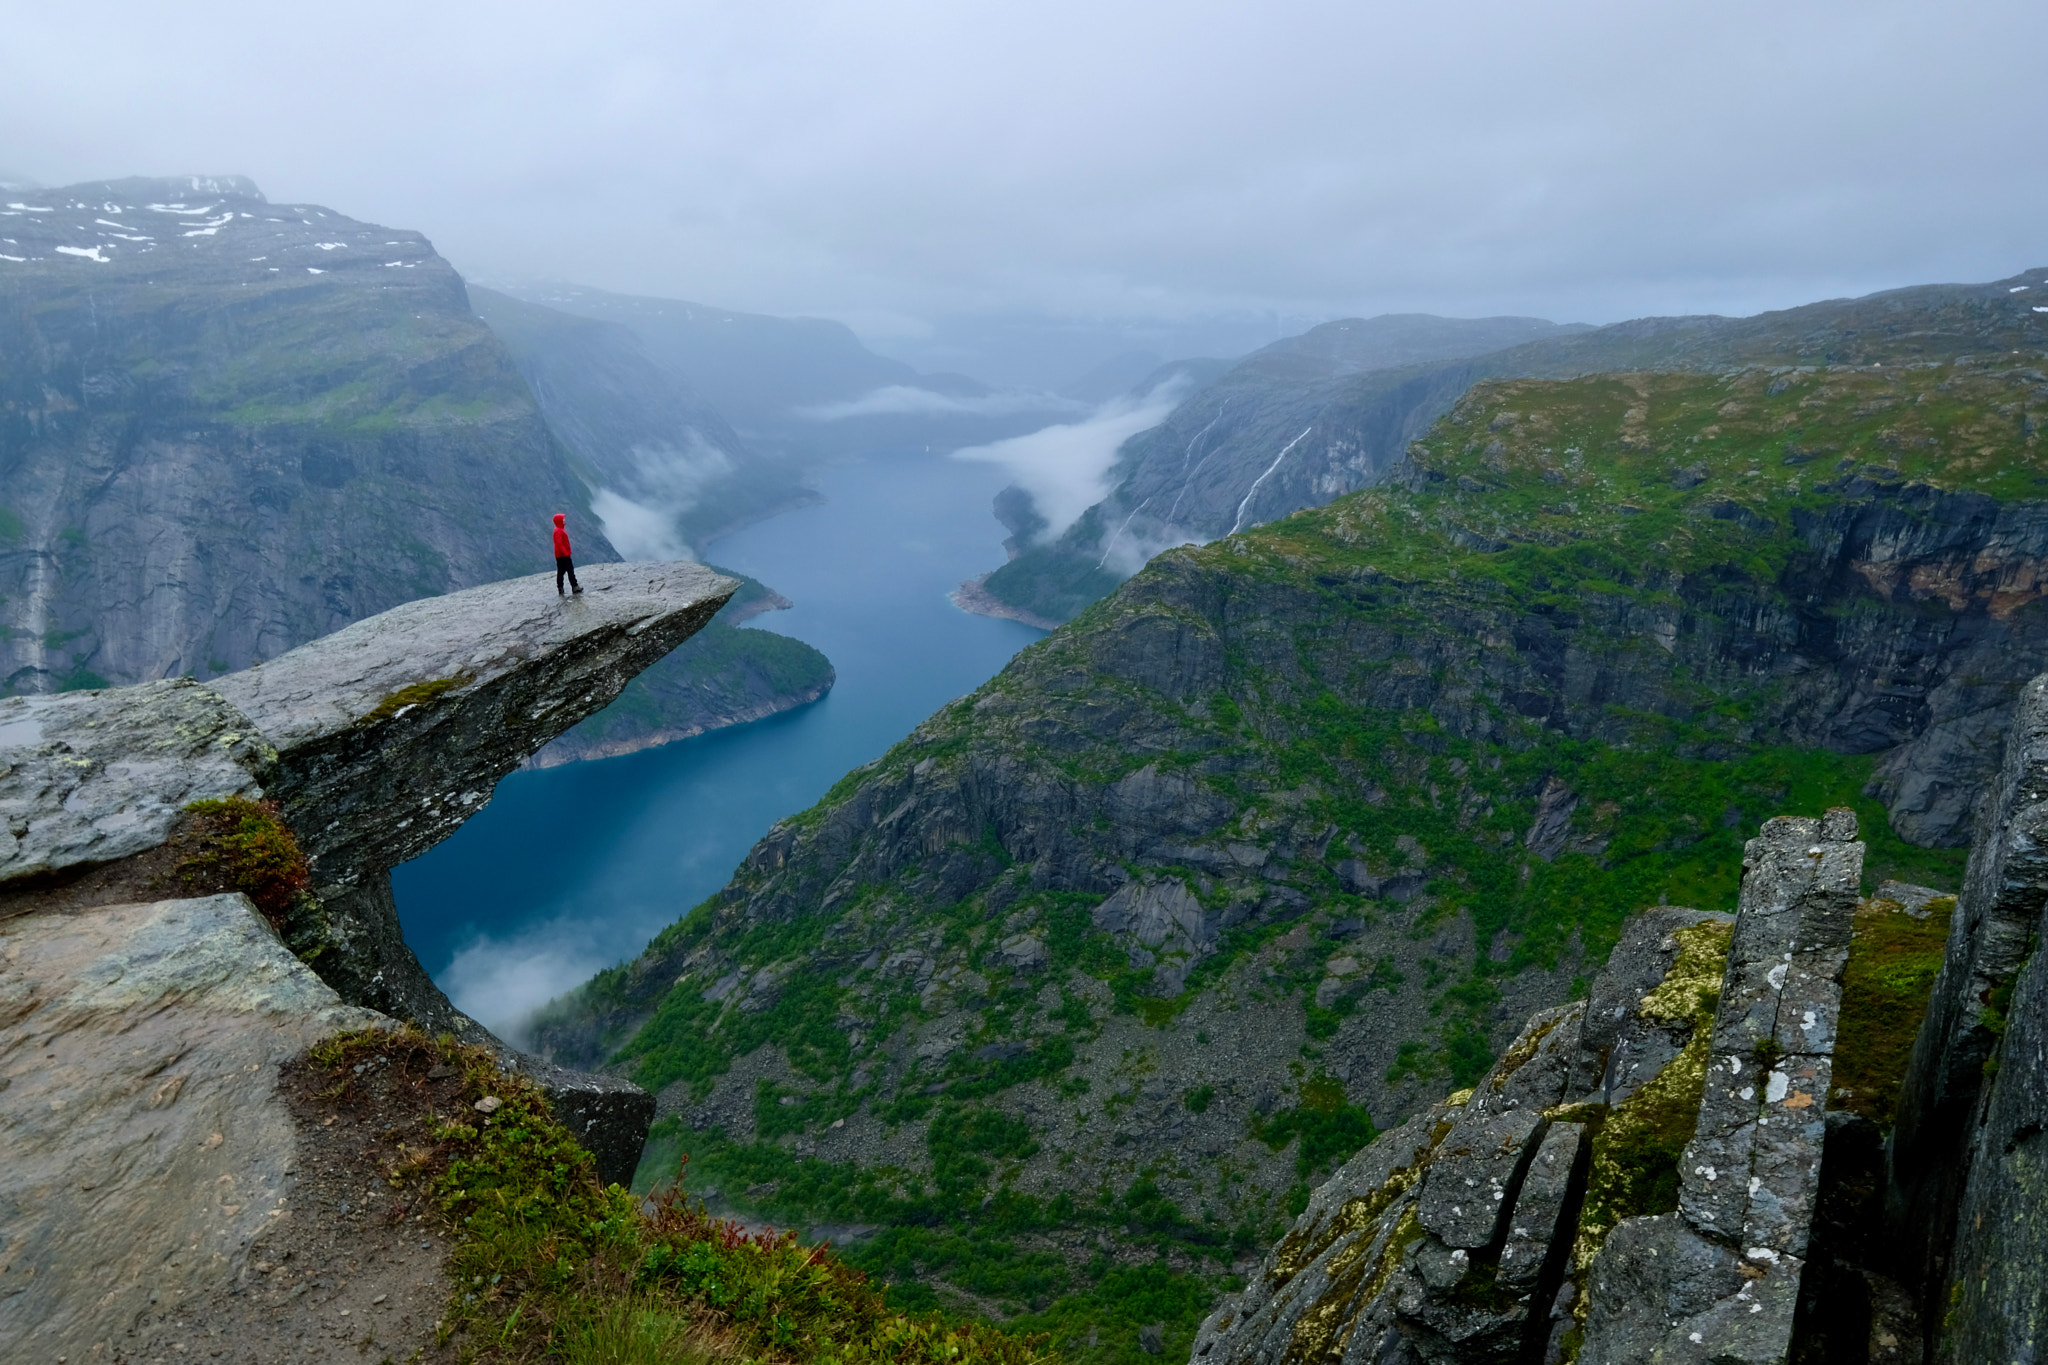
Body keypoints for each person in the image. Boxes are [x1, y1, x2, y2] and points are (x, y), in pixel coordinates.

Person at [552, 513, 582, 595]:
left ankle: (560, 588)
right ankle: (574, 586)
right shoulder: (558, 531)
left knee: (561, 571)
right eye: (563, 519)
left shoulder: (558, 529)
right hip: (563, 555)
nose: (564, 520)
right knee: (570, 570)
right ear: (559, 521)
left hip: (560, 555)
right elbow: (559, 544)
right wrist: (566, 554)